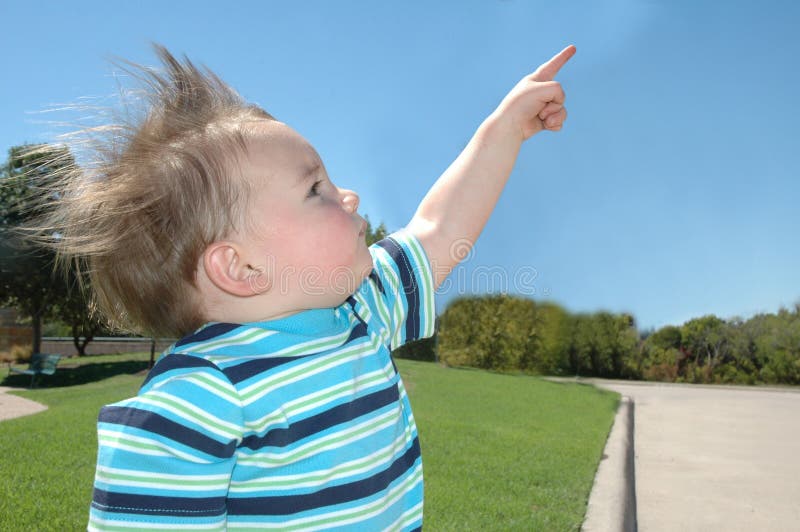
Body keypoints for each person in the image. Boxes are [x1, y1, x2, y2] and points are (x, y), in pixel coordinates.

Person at [54, 43, 574, 530]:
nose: (348, 195)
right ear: (240, 267)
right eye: (315, 188)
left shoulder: (361, 310)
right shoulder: (193, 400)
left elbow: (439, 229)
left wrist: (504, 128)